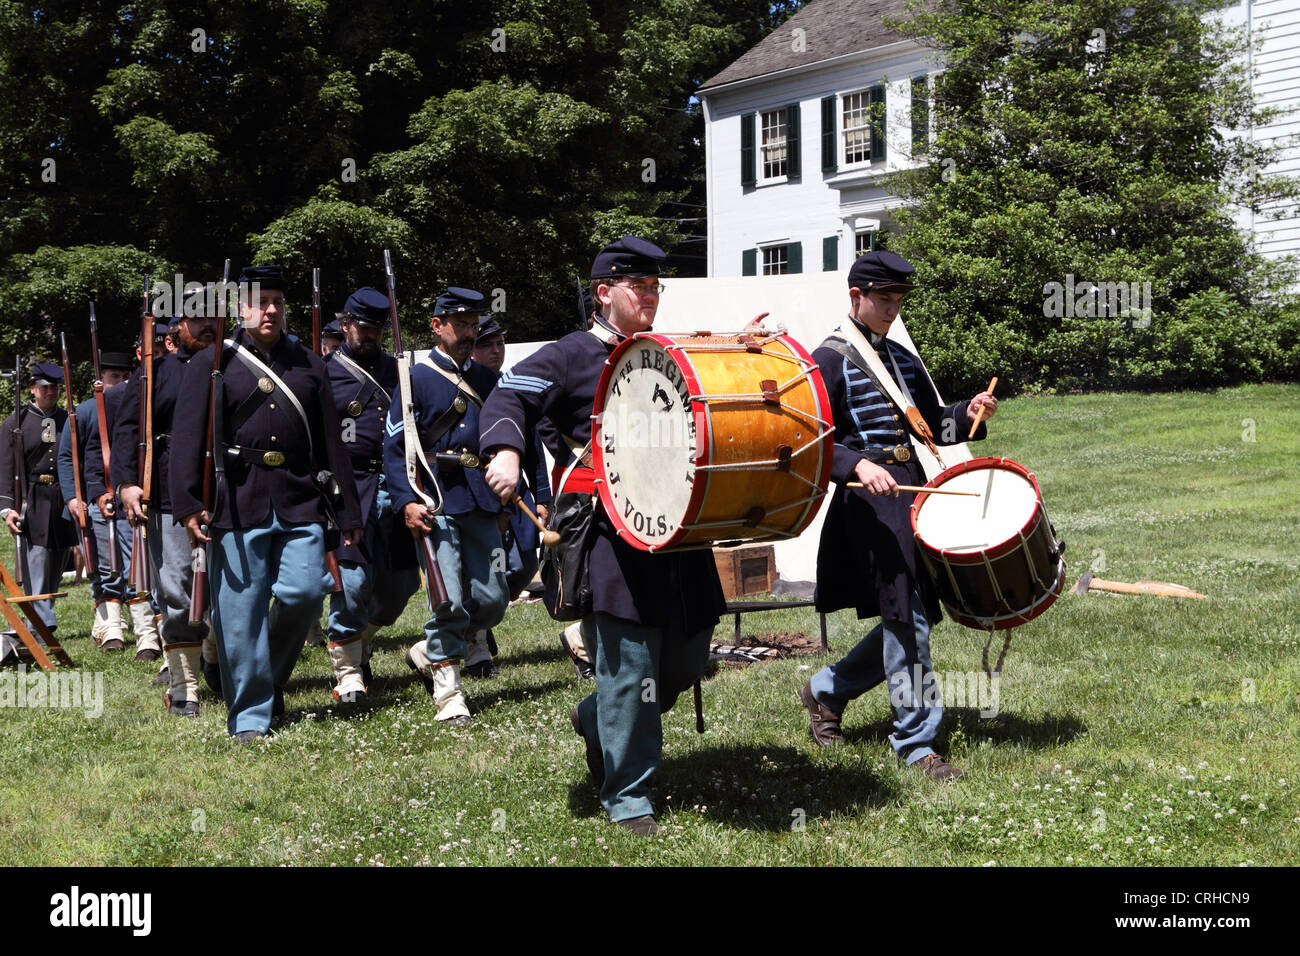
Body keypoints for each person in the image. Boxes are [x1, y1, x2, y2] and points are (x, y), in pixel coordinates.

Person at [480, 236, 726, 836]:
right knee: (629, 664)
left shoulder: (667, 352)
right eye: (637, 286)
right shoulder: (569, 356)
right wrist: (507, 451)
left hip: (679, 531)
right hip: (610, 532)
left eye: (654, 287)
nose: (649, 296)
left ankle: (596, 719)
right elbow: (507, 397)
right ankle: (630, 796)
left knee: (687, 660)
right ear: (603, 293)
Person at [797, 250, 998, 782]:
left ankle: (825, 690)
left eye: (897, 300)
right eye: (882, 298)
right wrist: (857, 462)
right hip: (867, 504)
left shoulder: (904, 361)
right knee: (907, 620)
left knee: (918, 617)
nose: (891, 309)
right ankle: (916, 742)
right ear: (855, 297)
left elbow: (932, 428)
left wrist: (968, 413)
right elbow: (811, 442)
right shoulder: (827, 359)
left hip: (913, 497)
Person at [170, 265, 362, 740]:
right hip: (234, 500)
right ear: (240, 308)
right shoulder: (212, 362)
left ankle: (264, 677)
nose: (271, 310)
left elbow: (331, 442)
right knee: (240, 614)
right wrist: (190, 504)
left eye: (277, 301)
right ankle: (252, 714)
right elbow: (188, 438)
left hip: (300, 498)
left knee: (305, 592)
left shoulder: (308, 362)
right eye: (260, 301)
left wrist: (348, 509)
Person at [386, 287, 508, 722]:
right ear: (437, 326)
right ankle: (449, 693)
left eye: (474, 324)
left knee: (494, 599)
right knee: (448, 600)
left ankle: (430, 649)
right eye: (461, 325)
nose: (469, 333)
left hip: (481, 497)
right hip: (436, 498)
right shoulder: (413, 380)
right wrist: (405, 500)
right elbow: (396, 449)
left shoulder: (488, 380)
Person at [105, 296, 227, 713]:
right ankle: (183, 684)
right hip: (169, 495)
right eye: (197, 318)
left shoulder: (234, 364)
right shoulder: (154, 374)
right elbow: (126, 430)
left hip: (228, 493)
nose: (207, 325)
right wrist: (126, 484)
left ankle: (212, 655)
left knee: (225, 589)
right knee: (177, 589)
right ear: (178, 327)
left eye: (214, 316)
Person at [319, 287, 419, 703]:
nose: (372, 335)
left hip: (394, 485)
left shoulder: (397, 370)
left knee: (401, 584)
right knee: (353, 583)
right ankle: (348, 672)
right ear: (346, 326)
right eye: (365, 327)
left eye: (379, 327)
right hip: (350, 489)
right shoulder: (322, 372)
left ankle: (362, 641)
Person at [462, 312, 551, 678]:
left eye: (500, 343)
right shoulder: (464, 389)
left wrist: (543, 496)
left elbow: (533, 446)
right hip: (481, 497)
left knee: (523, 565)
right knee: (488, 572)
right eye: (488, 344)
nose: (497, 350)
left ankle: (482, 621)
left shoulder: (514, 386)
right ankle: (476, 641)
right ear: (471, 350)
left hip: (518, 496)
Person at [62, 350, 162, 659]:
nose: (120, 382)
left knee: (139, 570)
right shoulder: (88, 411)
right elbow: (80, 457)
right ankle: (110, 628)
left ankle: (147, 633)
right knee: (105, 569)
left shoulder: (139, 405)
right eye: (113, 377)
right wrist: (89, 495)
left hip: (132, 497)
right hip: (102, 498)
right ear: (101, 379)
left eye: (124, 376)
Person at [0, 363, 76, 664]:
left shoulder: (64, 419)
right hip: (32, 499)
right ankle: (39, 622)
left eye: (55, 387)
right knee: (36, 561)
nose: (50, 392)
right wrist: (8, 509)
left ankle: (39, 619)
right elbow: (5, 469)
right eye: (45, 387)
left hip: (60, 497)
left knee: (57, 560)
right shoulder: (14, 424)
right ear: (33, 388)